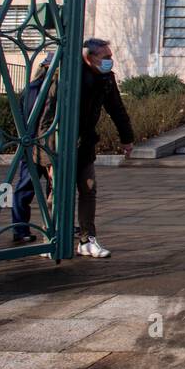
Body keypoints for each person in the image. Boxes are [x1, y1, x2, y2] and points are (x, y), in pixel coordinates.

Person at [73, 37, 135, 257]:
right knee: (56, 192)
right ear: (89, 57)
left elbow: (116, 108)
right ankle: (51, 237)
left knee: (88, 188)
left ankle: (87, 239)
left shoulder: (106, 78)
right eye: (106, 57)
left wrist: (127, 138)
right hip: (58, 143)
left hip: (85, 142)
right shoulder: (69, 74)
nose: (111, 61)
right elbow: (47, 114)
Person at [10, 52, 56, 244]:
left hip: (44, 144)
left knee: (52, 188)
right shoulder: (34, 90)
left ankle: (52, 225)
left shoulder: (33, 88)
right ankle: (21, 228)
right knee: (28, 187)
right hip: (37, 144)